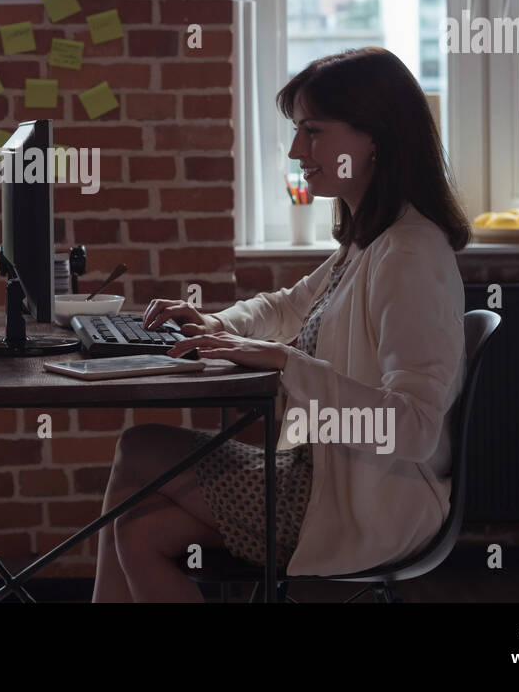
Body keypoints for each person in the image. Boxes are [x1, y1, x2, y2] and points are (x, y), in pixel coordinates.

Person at [92, 46, 471, 602]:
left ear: (375, 138)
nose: (296, 149)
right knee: (139, 526)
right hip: (327, 478)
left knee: (141, 452)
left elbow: (413, 428)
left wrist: (283, 361)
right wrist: (213, 322)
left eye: (313, 130)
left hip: (367, 504)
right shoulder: (370, 239)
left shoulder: (409, 255)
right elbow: (287, 307)